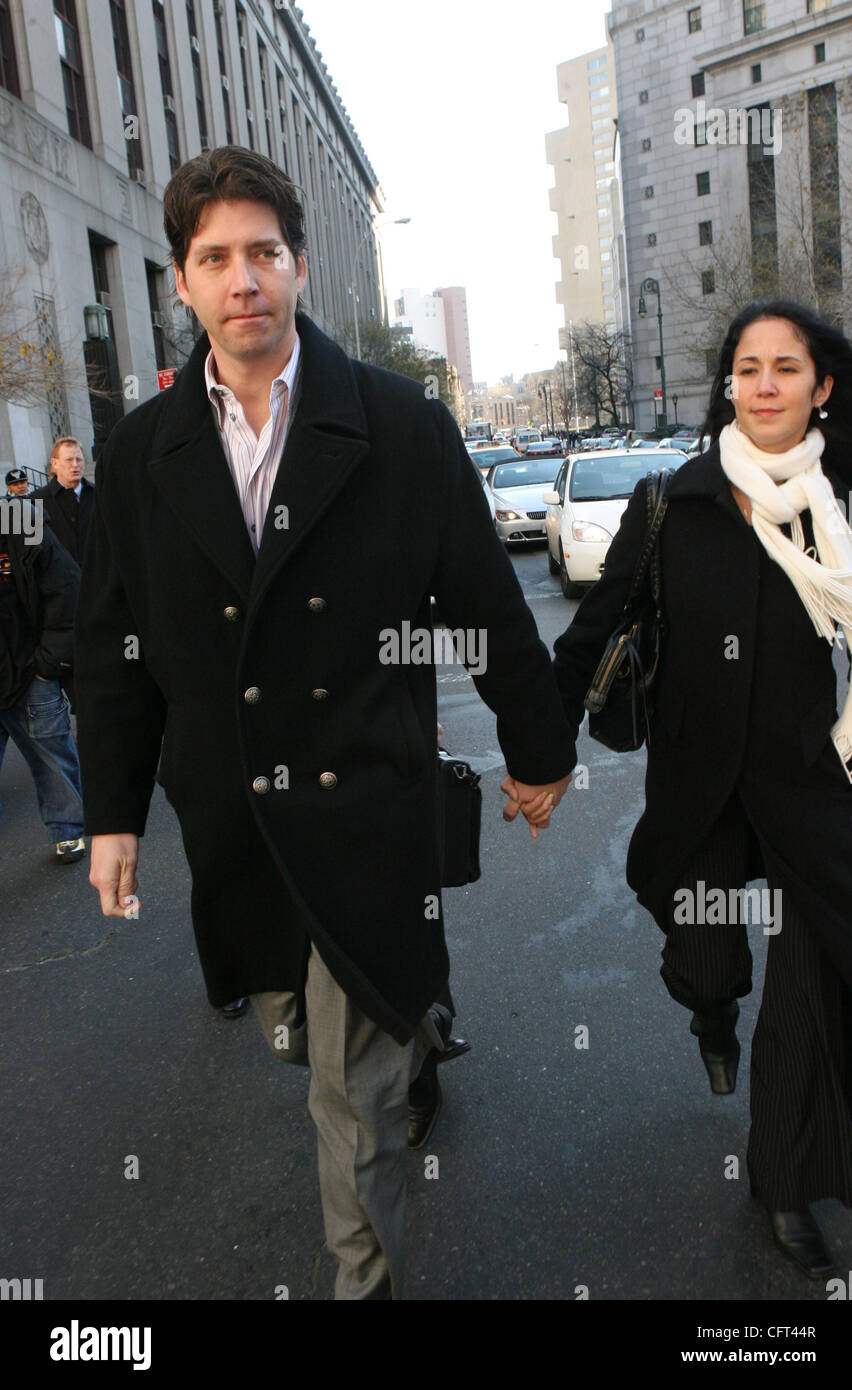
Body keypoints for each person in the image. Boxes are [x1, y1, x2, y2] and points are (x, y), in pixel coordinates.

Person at [73, 146, 575, 1300]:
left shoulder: (395, 424)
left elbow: (485, 604)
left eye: (262, 253)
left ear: (298, 267)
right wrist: (111, 814)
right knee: (292, 1034)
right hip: (235, 823)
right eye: (215, 259)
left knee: (349, 1101)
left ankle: (365, 1284)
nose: (242, 277)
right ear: (183, 282)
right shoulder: (141, 454)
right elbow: (111, 654)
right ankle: (414, 1024)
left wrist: (538, 749)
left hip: (367, 811)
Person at [552, 300, 852, 1280]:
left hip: (811, 792)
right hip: (698, 791)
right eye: (746, 367)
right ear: (727, 384)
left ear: (819, 387)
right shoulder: (672, 503)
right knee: (705, 959)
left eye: (785, 367)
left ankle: (781, 1183)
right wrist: (536, 749)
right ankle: (705, 1004)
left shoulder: (848, 503)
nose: (764, 384)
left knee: (808, 990)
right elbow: (590, 631)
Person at [0, 495, 85, 862]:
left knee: (51, 751)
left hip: (29, 671)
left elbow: (66, 588)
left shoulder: (19, 519)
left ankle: (67, 830)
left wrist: (47, 664)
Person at [31, 438, 95, 566]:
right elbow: (32, 551)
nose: (75, 465)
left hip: (97, 579)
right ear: (54, 463)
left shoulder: (98, 495)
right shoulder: (36, 501)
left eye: (79, 459)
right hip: (58, 581)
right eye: (69, 460)